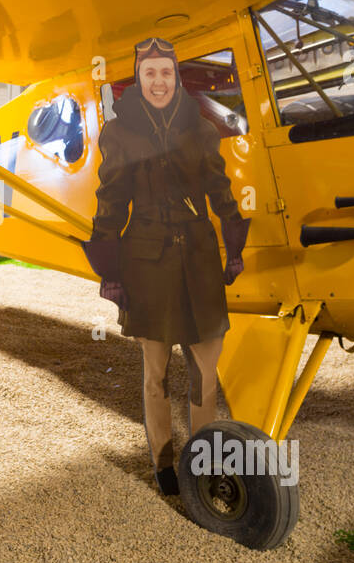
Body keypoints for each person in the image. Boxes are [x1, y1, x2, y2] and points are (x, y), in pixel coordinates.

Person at [84, 36, 250, 497]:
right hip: (146, 261)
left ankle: (205, 465)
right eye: (150, 72)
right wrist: (110, 271)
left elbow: (220, 189)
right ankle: (162, 465)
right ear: (138, 78)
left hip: (198, 256)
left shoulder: (199, 128)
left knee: (205, 372)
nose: (159, 81)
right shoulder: (119, 132)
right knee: (155, 373)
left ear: (177, 77)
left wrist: (234, 243)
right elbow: (111, 201)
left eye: (166, 72)